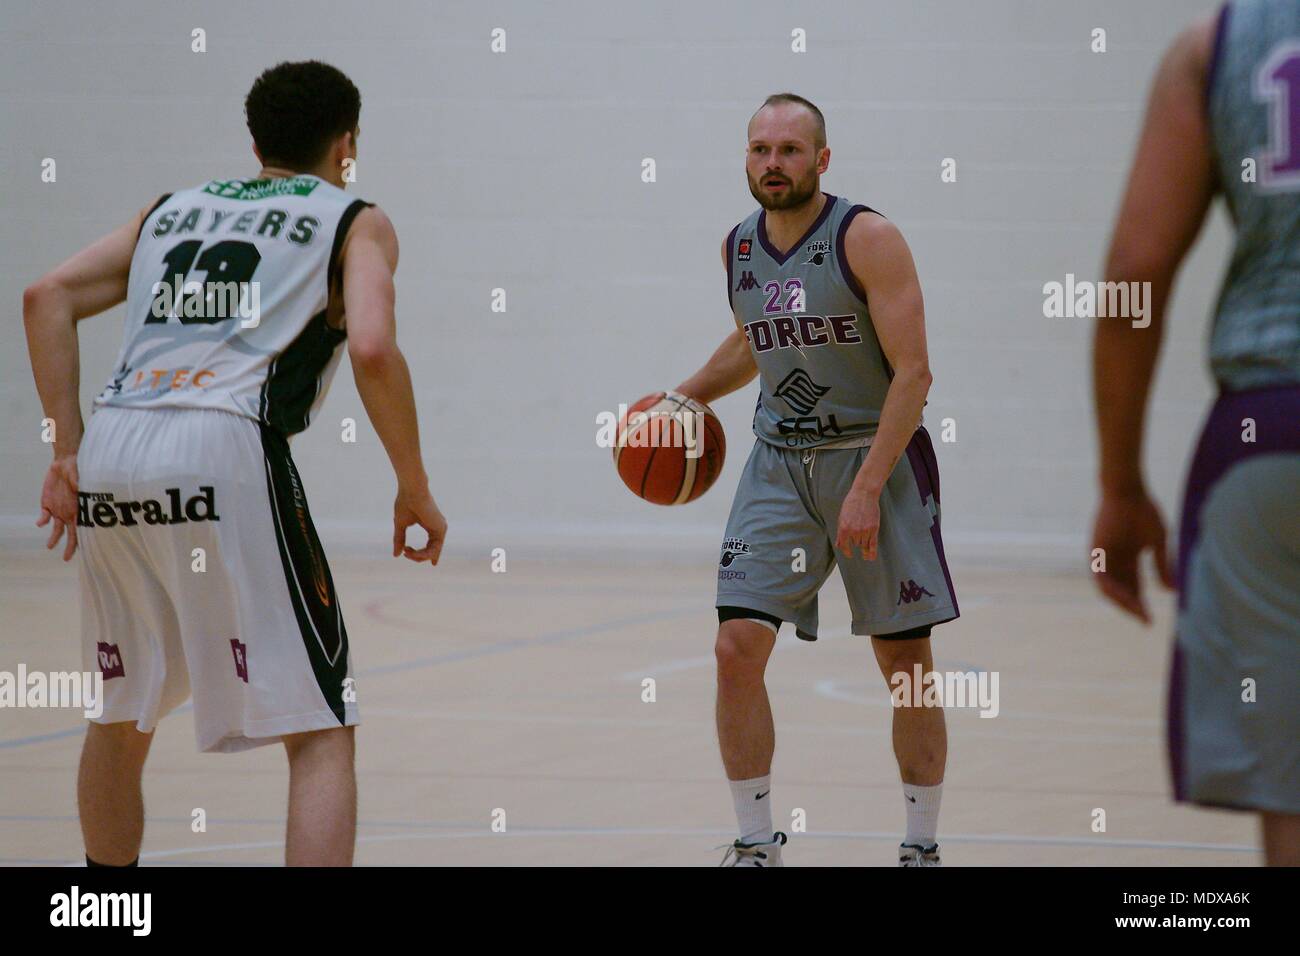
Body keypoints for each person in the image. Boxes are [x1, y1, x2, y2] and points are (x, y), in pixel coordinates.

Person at [21, 60, 447, 867]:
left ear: (254, 142)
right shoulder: (356, 217)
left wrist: (65, 451)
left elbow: (46, 296)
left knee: (119, 708)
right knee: (321, 726)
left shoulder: (169, 209)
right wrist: (413, 485)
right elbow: (372, 345)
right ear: (346, 144)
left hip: (114, 445)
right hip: (225, 440)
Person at [675, 93, 958, 867]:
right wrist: (682, 396)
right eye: (760, 149)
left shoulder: (868, 237)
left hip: (878, 457)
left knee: (904, 667)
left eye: (790, 150)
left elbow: (914, 373)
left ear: (822, 160)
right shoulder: (738, 246)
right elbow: (754, 342)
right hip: (779, 461)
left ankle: (920, 845)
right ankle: (756, 842)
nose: (773, 163)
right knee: (736, 648)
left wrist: (867, 487)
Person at [1092, 0, 1300, 866]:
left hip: (1270, 425)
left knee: (1291, 778)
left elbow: (1134, 275)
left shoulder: (1217, 43)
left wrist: (1121, 485)